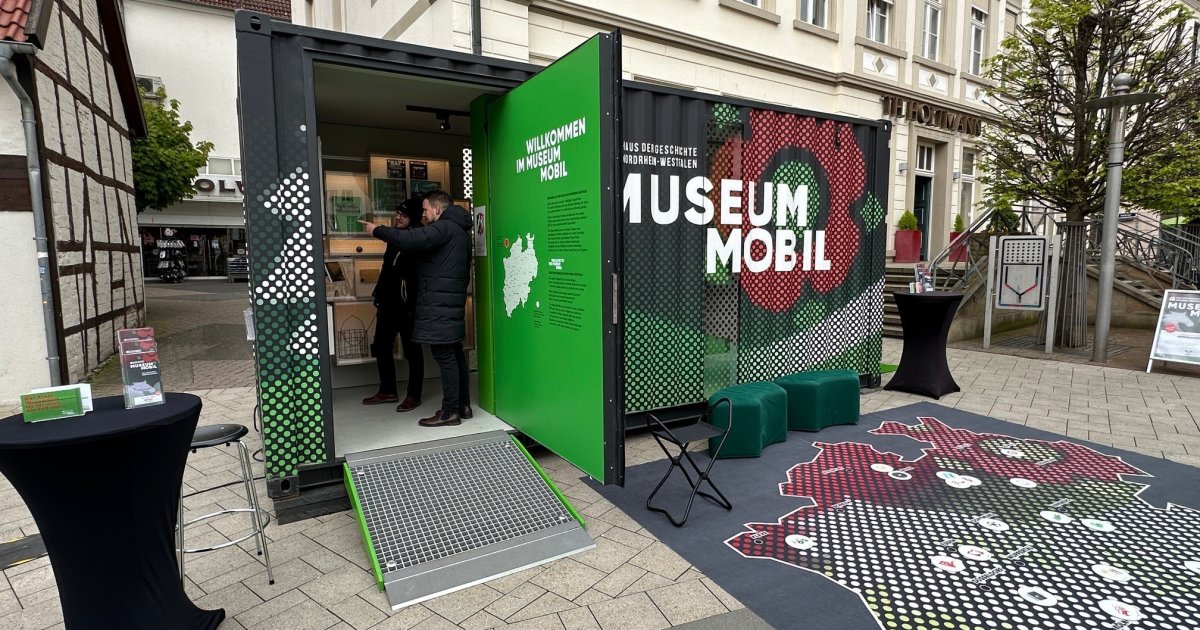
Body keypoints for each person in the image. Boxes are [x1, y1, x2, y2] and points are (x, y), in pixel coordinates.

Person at [361, 190, 473, 427]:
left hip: (441, 305)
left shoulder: (444, 227)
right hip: (449, 302)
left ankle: (449, 412)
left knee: (445, 356)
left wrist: (377, 230)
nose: (423, 214)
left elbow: (411, 239)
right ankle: (463, 405)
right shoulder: (459, 231)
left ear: (437, 209)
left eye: (425, 210)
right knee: (454, 354)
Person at [361, 198, 425, 410]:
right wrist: (379, 295)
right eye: (397, 213)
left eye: (403, 214)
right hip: (389, 305)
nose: (398, 217)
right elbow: (388, 270)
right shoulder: (395, 240)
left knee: (412, 352)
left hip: (408, 308)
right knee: (381, 346)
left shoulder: (418, 240)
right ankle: (387, 390)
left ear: (413, 217)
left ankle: (413, 395)